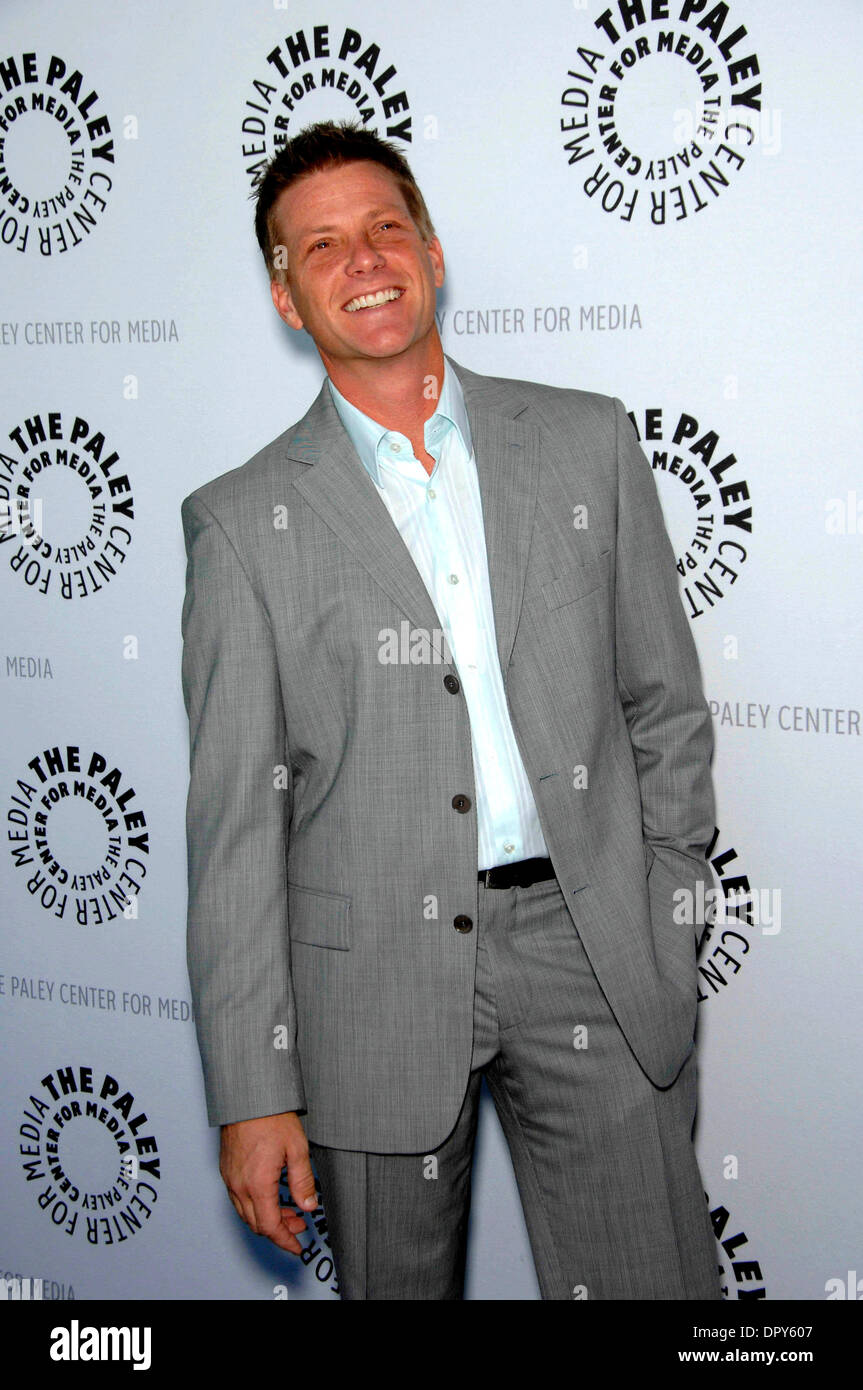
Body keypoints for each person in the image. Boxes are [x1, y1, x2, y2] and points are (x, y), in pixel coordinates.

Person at [180, 119, 721, 1300]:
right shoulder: (239, 522)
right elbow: (233, 832)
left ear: (429, 250)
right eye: (319, 246)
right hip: (364, 983)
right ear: (285, 296)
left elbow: (663, 706)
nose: (361, 258)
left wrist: (662, 907)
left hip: (594, 950)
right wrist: (254, 1087)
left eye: (384, 227)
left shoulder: (586, 444)